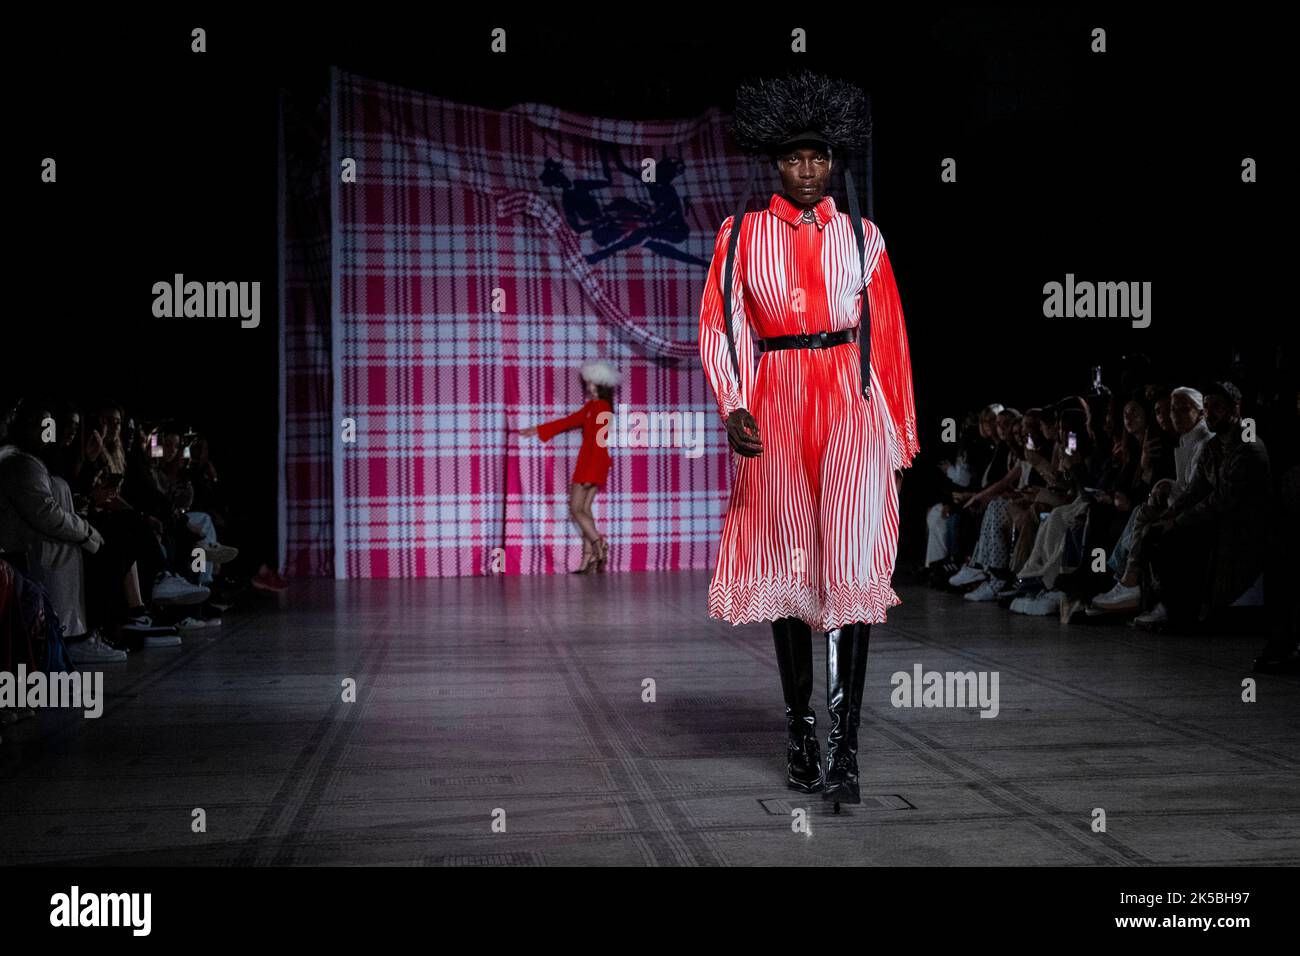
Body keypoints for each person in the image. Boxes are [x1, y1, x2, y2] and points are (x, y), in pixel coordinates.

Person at [699, 71, 919, 807]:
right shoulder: (741, 234)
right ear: (774, 162)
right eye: (794, 158)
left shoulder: (864, 235)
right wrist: (733, 402)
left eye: (818, 157)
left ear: (833, 161)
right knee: (794, 568)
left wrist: (897, 428)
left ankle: (846, 746)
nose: (806, 170)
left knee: (852, 570)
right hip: (779, 399)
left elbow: (886, 334)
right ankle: (799, 729)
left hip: (851, 403)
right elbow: (720, 325)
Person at [519, 361, 620, 573]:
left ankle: (599, 543)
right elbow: (568, 421)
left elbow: (591, 436)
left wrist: (538, 429)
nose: (589, 387)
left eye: (592, 384)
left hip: (591, 461)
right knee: (584, 510)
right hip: (596, 461)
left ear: (601, 385)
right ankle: (588, 560)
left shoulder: (600, 407)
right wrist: (538, 429)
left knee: (575, 509)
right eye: (588, 384)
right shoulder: (595, 407)